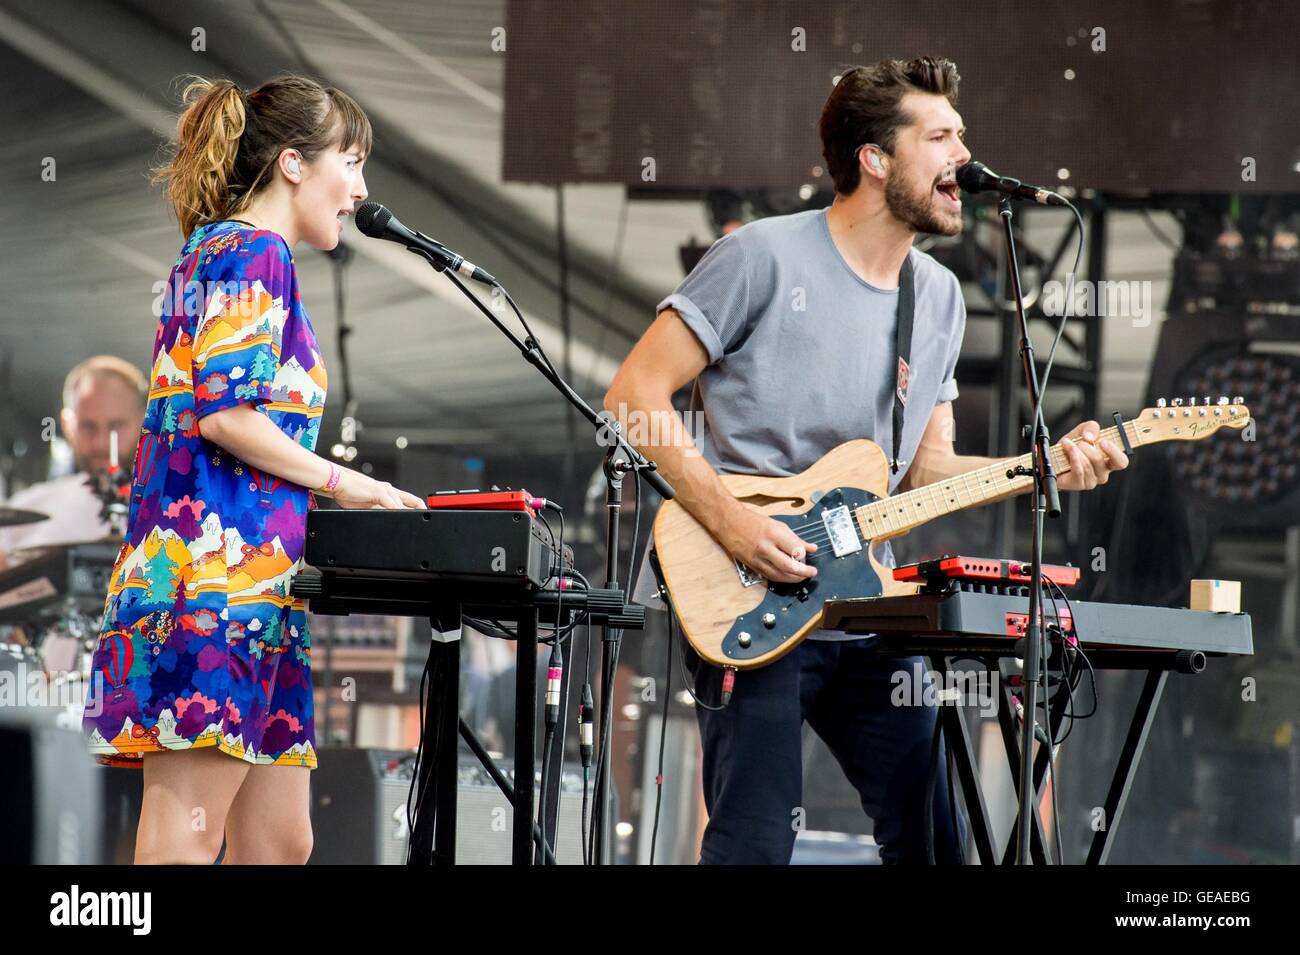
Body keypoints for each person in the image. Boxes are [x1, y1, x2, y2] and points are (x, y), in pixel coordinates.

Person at [604, 57, 1129, 864]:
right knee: (752, 842)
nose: (964, 153)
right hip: (750, 593)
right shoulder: (761, 258)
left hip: (868, 601)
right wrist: (737, 525)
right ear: (875, 160)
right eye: (941, 135)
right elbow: (635, 394)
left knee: (939, 840)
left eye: (963, 134)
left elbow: (926, 471)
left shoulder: (940, 297)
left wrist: (1047, 465)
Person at [82, 74, 426, 865]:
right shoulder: (253, 251)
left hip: (254, 591)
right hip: (210, 589)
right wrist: (350, 483)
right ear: (294, 164)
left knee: (278, 843)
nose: (361, 188)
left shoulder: (222, 250)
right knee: (180, 844)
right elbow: (224, 414)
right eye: (353, 161)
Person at [0, 356, 146, 566]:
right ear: (67, 425)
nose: (101, 444)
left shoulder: (178, 509)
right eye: (88, 426)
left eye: (116, 426)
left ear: (144, 420)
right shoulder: (23, 515)